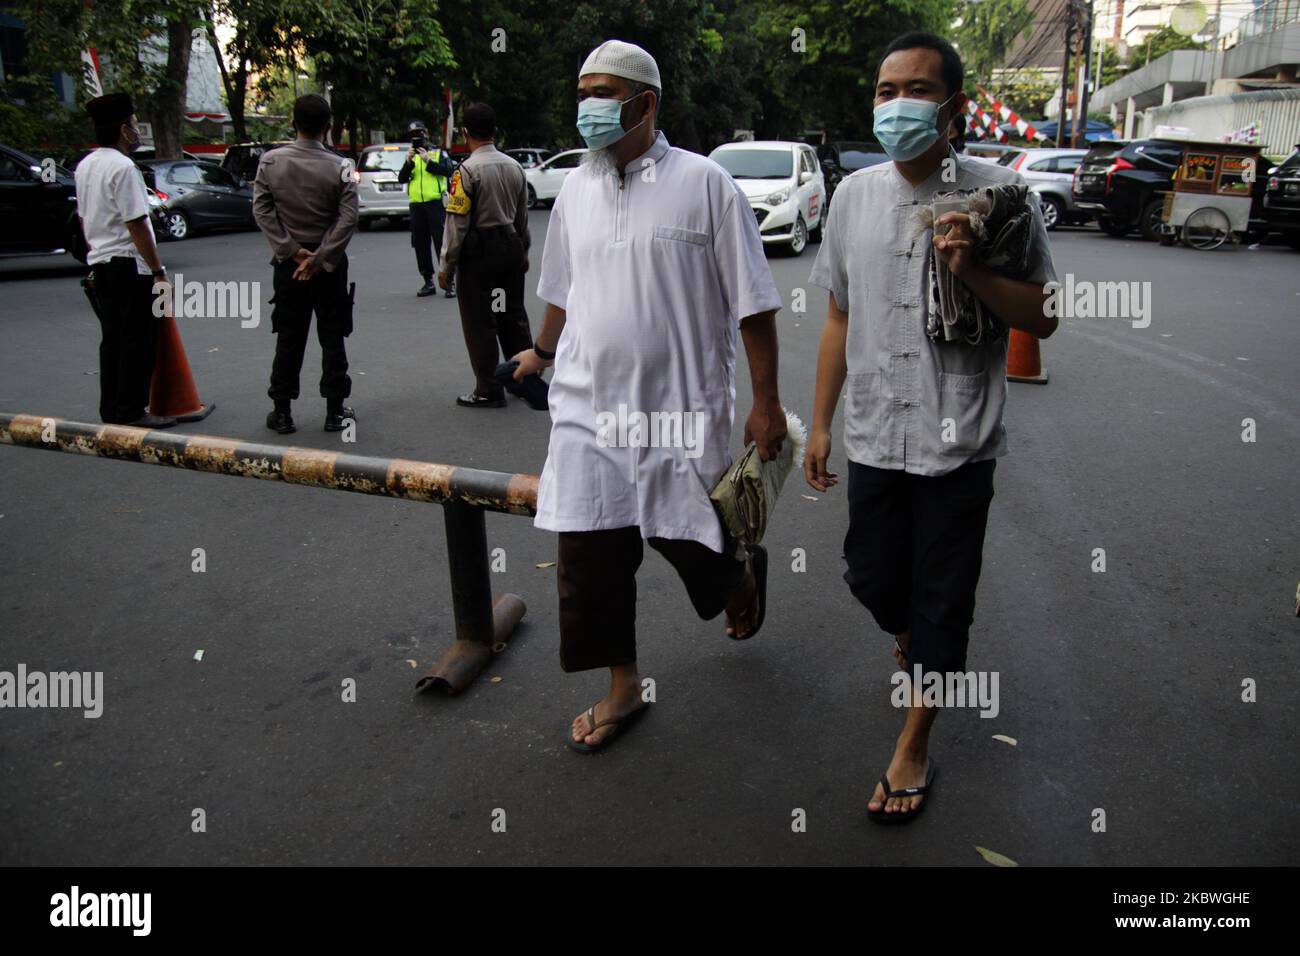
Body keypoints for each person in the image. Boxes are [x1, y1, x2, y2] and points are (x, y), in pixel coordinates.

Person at [804, 32, 1058, 823]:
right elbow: (840, 313)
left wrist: (973, 271)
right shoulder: (853, 197)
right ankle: (912, 635)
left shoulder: (1003, 197)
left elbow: (1043, 320)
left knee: (944, 601)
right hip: (876, 434)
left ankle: (915, 740)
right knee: (873, 579)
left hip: (958, 443)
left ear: (951, 108)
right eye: (884, 91)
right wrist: (818, 422)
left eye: (915, 90)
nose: (895, 104)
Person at [511, 40, 786, 752]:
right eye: (582, 95)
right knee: (587, 552)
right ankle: (622, 685)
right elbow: (560, 291)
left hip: (677, 406)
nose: (589, 109)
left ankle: (737, 575)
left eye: (604, 93)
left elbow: (754, 305)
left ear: (647, 102)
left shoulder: (705, 184)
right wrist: (542, 353)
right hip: (584, 403)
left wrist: (766, 404)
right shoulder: (576, 186)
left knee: (682, 530)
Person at [252, 93, 359, 434]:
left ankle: (282, 412)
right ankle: (334, 411)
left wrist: (292, 250)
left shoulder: (270, 162)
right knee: (333, 337)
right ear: (328, 128)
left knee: (289, 337)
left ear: (294, 123)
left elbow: (262, 210)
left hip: (289, 266)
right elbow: (348, 217)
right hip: (328, 267)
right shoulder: (340, 166)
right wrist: (321, 256)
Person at [75, 92, 174, 428]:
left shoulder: (85, 165)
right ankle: (132, 411)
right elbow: (136, 223)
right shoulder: (123, 167)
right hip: (130, 264)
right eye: (133, 124)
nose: (137, 130)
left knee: (112, 340)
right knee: (138, 340)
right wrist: (158, 270)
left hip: (100, 262)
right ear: (123, 129)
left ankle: (112, 410)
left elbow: (86, 217)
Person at [438, 102, 542, 408]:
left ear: (465, 133)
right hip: (510, 247)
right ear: (494, 131)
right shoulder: (514, 167)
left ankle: (488, 389)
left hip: (480, 254)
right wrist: (522, 250)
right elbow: (522, 216)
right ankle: (522, 379)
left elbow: (457, 223)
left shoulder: (466, 171)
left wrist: (446, 264)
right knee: (513, 316)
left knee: (480, 322)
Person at [398, 120, 455, 298]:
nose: (416, 138)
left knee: (441, 244)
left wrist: (428, 161)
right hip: (416, 205)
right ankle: (427, 281)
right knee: (420, 244)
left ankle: (449, 282)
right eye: (412, 135)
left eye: (419, 134)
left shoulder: (438, 153)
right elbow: (401, 179)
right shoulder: (410, 156)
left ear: (426, 134)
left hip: (435, 204)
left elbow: (448, 170)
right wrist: (408, 162)